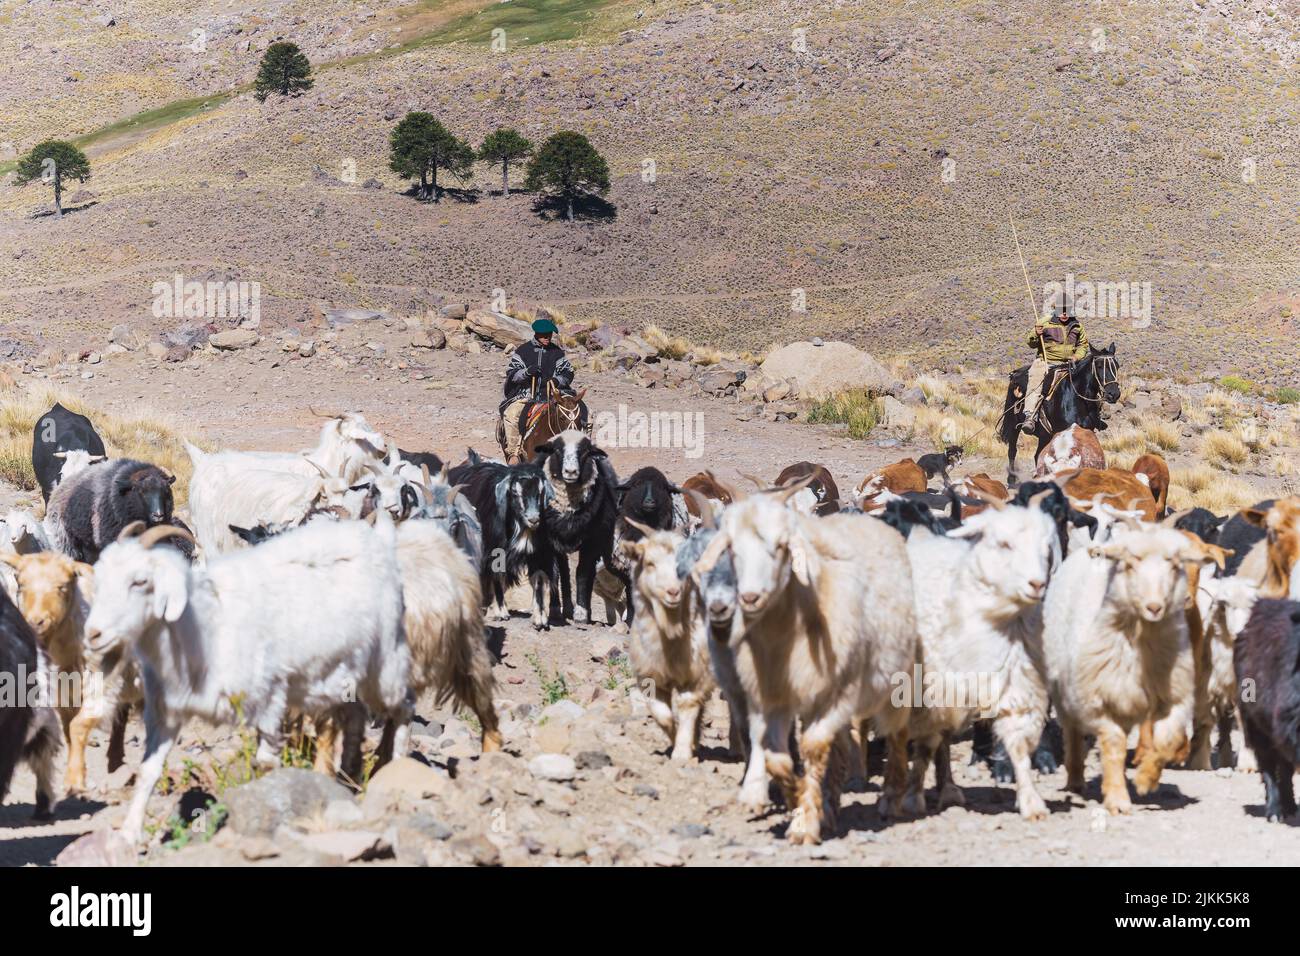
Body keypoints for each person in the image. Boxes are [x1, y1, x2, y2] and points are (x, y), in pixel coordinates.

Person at [500, 317, 575, 464]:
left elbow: (568, 373)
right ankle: (514, 452)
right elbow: (512, 374)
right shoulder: (523, 351)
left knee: (582, 413)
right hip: (527, 394)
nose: (548, 338)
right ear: (536, 334)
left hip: (554, 395)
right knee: (511, 414)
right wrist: (527, 372)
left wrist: (557, 380)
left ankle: (581, 449)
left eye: (550, 335)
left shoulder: (557, 352)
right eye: (544, 335)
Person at [1021, 301, 1089, 434]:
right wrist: (1035, 333)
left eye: (1067, 310)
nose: (1064, 313)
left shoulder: (1077, 325)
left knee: (1087, 381)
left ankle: (1093, 413)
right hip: (1047, 362)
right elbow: (1031, 343)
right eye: (1061, 310)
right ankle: (1030, 416)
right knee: (1036, 382)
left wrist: (1076, 357)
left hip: (1069, 363)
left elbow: (1083, 345)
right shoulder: (1044, 322)